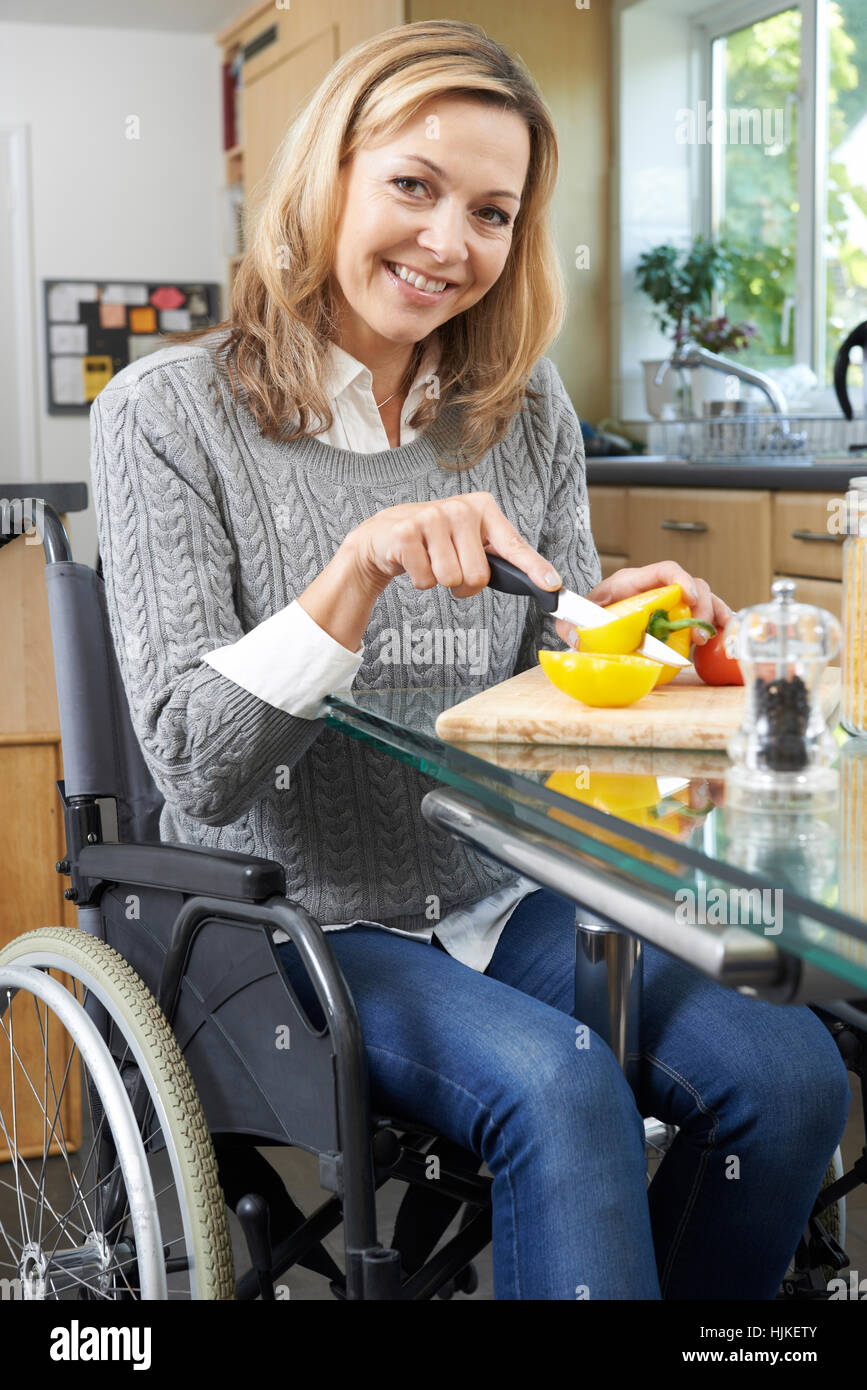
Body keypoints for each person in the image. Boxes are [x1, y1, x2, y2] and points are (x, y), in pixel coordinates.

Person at [89, 19, 850, 1299]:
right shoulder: (165, 415)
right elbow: (198, 769)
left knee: (792, 1074)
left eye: (492, 212)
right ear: (328, 175)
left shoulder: (521, 406)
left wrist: (631, 624)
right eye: (414, 187)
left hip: (504, 889)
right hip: (283, 918)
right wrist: (355, 567)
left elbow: (549, 641)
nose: (451, 244)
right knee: (562, 1088)